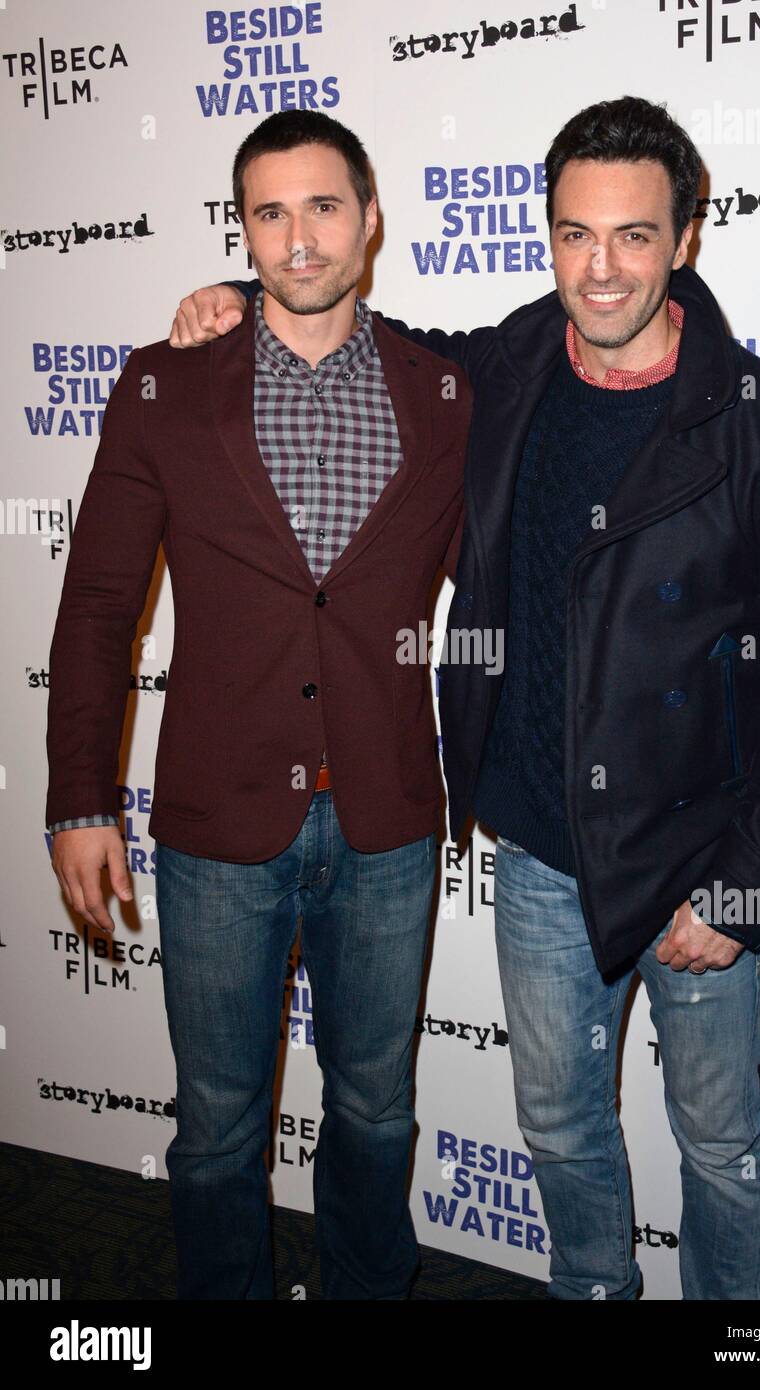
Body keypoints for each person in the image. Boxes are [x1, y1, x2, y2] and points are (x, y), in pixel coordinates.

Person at [169, 96, 760, 1300]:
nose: (599, 271)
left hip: (702, 856)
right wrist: (233, 296)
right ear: (545, 236)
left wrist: (748, 885)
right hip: (541, 855)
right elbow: (350, 327)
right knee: (559, 1135)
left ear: (685, 238)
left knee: (719, 1148)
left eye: (633, 236)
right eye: (572, 236)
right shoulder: (498, 369)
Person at [46, 109, 472, 1300]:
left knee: (376, 1110)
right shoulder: (164, 385)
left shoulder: (444, 393)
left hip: (387, 821)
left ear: (370, 218)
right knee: (220, 1126)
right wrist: (77, 799)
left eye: (322, 206)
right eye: (269, 213)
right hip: (216, 828)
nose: (297, 238)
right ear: (243, 231)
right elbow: (95, 608)